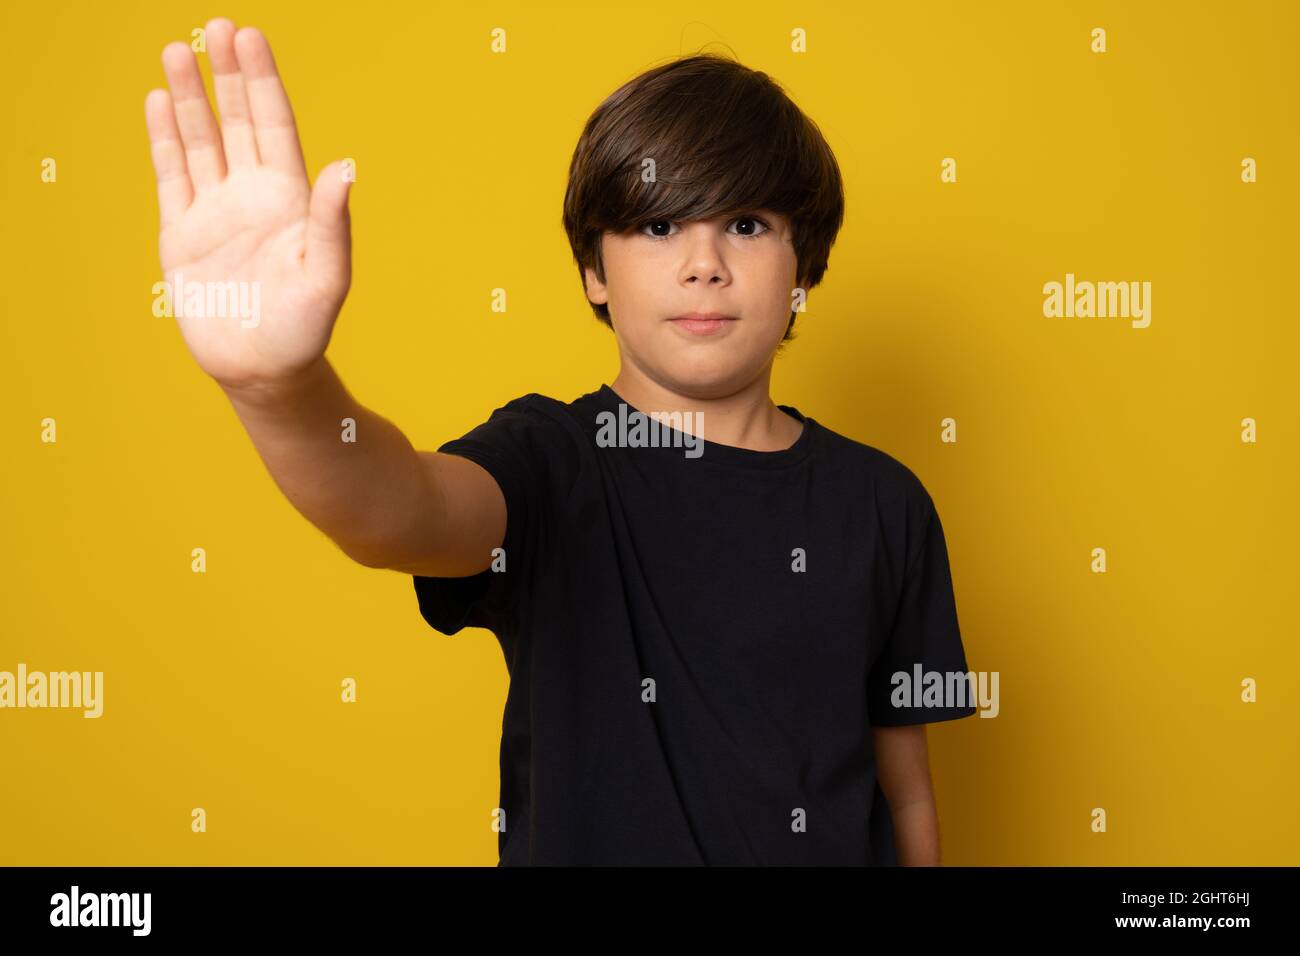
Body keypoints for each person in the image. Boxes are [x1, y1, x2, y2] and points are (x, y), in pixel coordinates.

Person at [144, 18, 977, 865]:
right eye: (658, 227)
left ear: (804, 267)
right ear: (593, 269)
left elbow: (905, 790)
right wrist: (279, 388)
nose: (703, 263)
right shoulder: (548, 460)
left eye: (749, 225)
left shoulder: (886, 503)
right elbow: (396, 509)